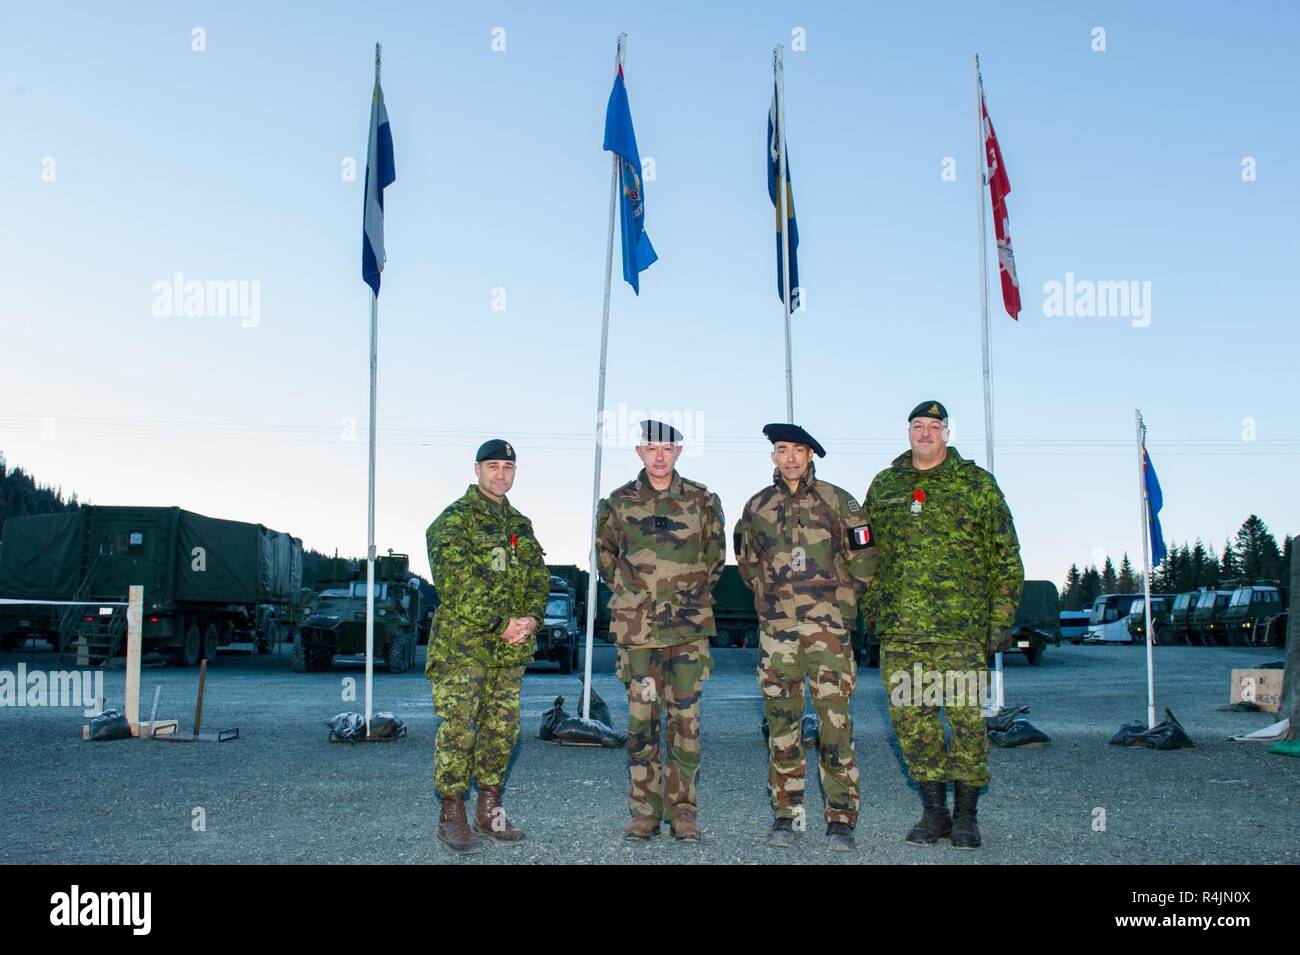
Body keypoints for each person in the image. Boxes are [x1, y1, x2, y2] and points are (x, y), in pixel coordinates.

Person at [861, 401, 1023, 849]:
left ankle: (966, 816)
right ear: (908, 432)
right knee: (913, 725)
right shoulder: (887, 485)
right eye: (918, 426)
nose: (926, 433)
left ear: (947, 434)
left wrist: (999, 622)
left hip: (960, 630)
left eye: (935, 426)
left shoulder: (976, 485)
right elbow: (864, 554)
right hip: (902, 630)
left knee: (967, 724)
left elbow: (1006, 556)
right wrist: (874, 608)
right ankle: (934, 813)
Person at [734, 423, 877, 852]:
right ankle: (786, 815)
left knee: (835, 726)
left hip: (827, 635)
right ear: (773, 456)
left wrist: (838, 606)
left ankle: (841, 819)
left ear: (811, 455)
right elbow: (747, 564)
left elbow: (865, 559)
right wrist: (771, 603)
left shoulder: (838, 501)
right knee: (782, 726)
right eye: (782, 450)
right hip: (778, 634)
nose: (791, 458)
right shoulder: (757, 506)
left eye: (798, 450)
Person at [595, 419, 725, 841]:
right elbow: (606, 560)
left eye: (667, 449)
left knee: (685, 726)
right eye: (651, 448)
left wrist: (681, 595)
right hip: (639, 636)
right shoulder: (617, 503)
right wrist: (639, 596)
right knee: (642, 725)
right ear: (639, 452)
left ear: (679, 453)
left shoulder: (702, 501)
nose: (659, 456)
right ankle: (645, 812)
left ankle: (683, 812)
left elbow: (715, 560)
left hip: (687, 631)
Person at [424, 438, 550, 855]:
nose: (501, 474)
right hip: (463, 648)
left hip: (509, 651)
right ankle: (452, 815)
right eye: (493, 466)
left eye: (508, 468)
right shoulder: (453, 521)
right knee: (459, 730)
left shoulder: (521, 525)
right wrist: (501, 623)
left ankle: (490, 809)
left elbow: (538, 578)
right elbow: (455, 583)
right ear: (476, 469)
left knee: (501, 731)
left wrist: (531, 619)